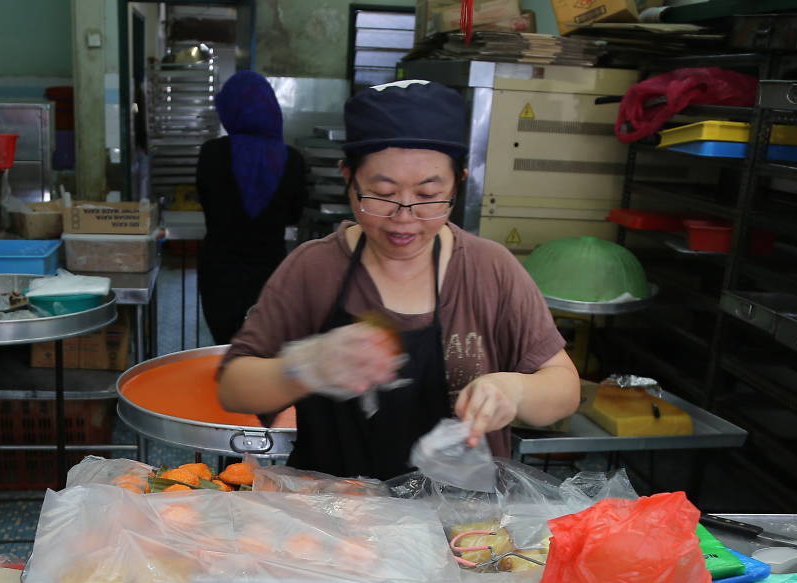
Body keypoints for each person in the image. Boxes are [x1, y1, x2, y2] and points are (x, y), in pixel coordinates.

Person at [217, 79, 580, 481]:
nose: (404, 216)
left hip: (461, 528)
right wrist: (305, 367)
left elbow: (564, 387)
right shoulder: (315, 268)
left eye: (428, 195)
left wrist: (516, 392)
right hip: (333, 520)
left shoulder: (488, 268)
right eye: (381, 193)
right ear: (348, 179)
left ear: (458, 182)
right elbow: (234, 387)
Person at [195, 70, 307, 347]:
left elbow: (206, 204)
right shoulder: (292, 159)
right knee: (263, 348)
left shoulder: (211, 154)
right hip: (271, 271)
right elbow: (295, 215)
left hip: (219, 272)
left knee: (223, 348)